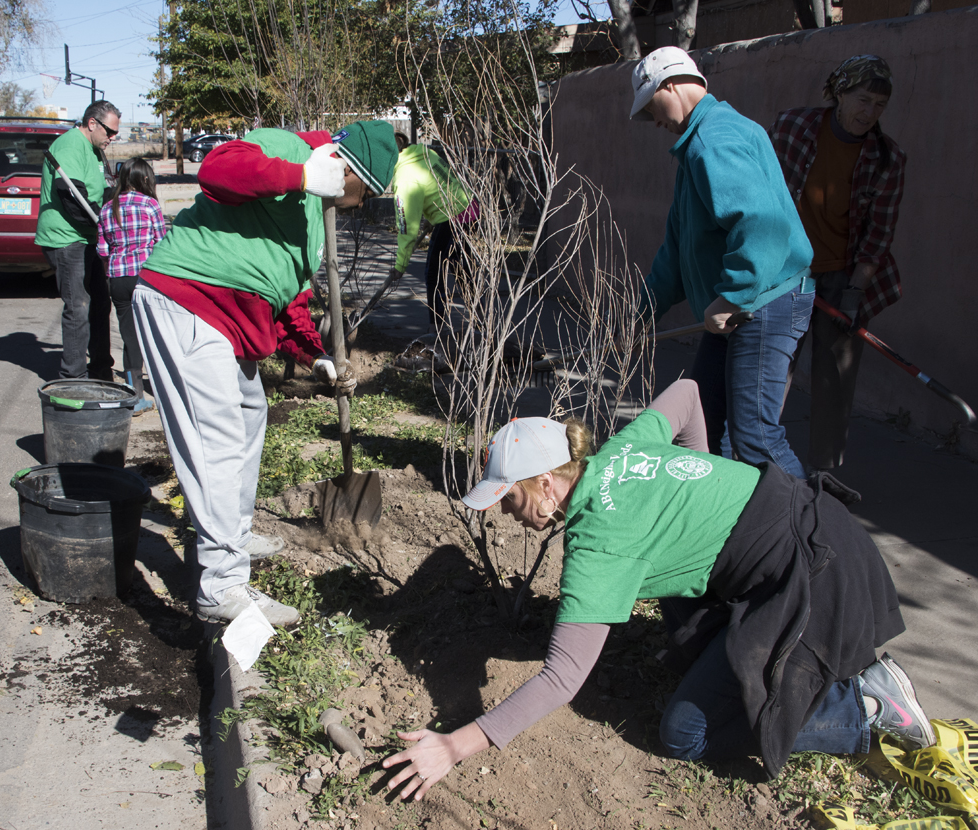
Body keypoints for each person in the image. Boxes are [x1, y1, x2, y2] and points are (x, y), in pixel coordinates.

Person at [381, 379, 936, 801]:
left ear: (546, 484)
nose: (504, 511)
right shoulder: (620, 450)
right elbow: (689, 395)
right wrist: (709, 492)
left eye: (509, 497)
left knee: (685, 733)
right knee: (680, 617)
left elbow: (561, 677)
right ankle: (793, 665)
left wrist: (454, 746)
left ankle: (864, 707)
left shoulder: (599, 545)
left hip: (814, 580)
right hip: (816, 523)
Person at [132, 121, 399, 626]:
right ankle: (222, 585)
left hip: (230, 317)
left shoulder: (317, 217)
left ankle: (232, 531)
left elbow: (287, 295)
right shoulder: (289, 151)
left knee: (252, 412)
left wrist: (314, 354)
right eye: (364, 191)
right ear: (348, 170)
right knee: (217, 440)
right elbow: (218, 170)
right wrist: (299, 174)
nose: (361, 203)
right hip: (191, 299)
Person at [630, 47, 814, 478]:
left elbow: (763, 227)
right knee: (704, 426)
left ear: (670, 85)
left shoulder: (715, 141)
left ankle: (815, 536)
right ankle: (729, 531)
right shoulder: (695, 147)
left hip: (763, 303)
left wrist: (730, 296)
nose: (654, 123)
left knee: (754, 438)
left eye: (650, 108)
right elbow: (678, 253)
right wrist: (635, 317)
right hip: (740, 305)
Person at [770, 55, 906, 474]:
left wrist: (853, 292)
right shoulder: (794, 129)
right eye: (863, 100)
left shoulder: (887, 159)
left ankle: (824, 478)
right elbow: (764, 194)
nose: (870, 113)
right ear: (840, 94)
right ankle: (755, 467)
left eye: (879, 106)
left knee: (835, 381)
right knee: (772, 370)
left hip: (843, 276)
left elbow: (879, 234)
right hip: (785, 270)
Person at [35, 100, 121, 381]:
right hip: (66, 239)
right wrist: (101, 225)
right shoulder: (71, 145)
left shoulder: (96, 151)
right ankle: (73, 378)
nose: (112, 138)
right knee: (78, 306)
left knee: (100, 302)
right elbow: (72, 197)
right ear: (92, 123)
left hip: (88, 238)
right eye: (109, 132)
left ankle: (99, 368)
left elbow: (102, 194)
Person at [96, 158, 167, 414]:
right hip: (147, 278)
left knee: (130, 336)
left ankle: (135, 395)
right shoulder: (150, 205)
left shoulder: (107, 208)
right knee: (156, 333)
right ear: (145, 179)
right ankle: (163, 387)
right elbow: (162, 243)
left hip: (118, 279)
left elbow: (103, 250)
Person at [389, 133, 479, 332]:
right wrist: (432, 220)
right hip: (470, 208)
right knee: (460, 268)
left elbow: (407, 227)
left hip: (452, 216)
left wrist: (400, 265)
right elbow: (437, 185)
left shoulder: (405, 177)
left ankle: (436, 329)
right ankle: (479, 319)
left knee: (434, 272)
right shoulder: (423, 154)